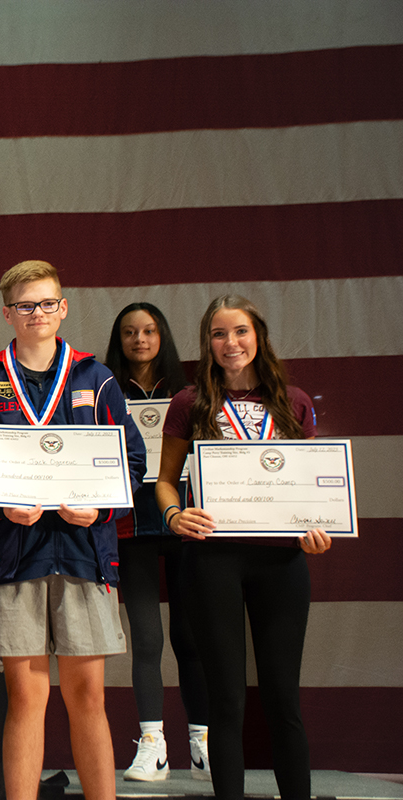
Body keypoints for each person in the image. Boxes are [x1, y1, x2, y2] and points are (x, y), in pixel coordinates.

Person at [0, 261, 144, 800]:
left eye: (47, 303)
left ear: (64, 307)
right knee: (25, 701)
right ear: (7, 313)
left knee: (88, 699)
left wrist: (101, 510)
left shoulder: (96, 379)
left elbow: (132, 461)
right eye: (26, 306)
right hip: (11, 560)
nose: (37, 314)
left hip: (83, 555)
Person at [156, 295, 332, 800]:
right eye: (218, 334)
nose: (230, 343)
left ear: (259, 337)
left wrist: (316, 527)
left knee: (282, 699)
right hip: (213, 559)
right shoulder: (190, 403)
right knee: (226, 699)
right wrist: (174, 513)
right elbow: (166, 482)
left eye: (240, 332)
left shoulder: (293, 401)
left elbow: (309, 487)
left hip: (282, 560)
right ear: (206, 343)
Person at [103, 303, 209, 780]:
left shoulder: (190, 391)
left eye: (148, 331)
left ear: (162, 336)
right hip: (132, 527)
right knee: (146, 638)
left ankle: (203, 743)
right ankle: (154, 745)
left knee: (192, 638)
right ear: (119, 339)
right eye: (129, 332)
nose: (139, 340)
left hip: (186, 524)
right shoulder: (102, 389)